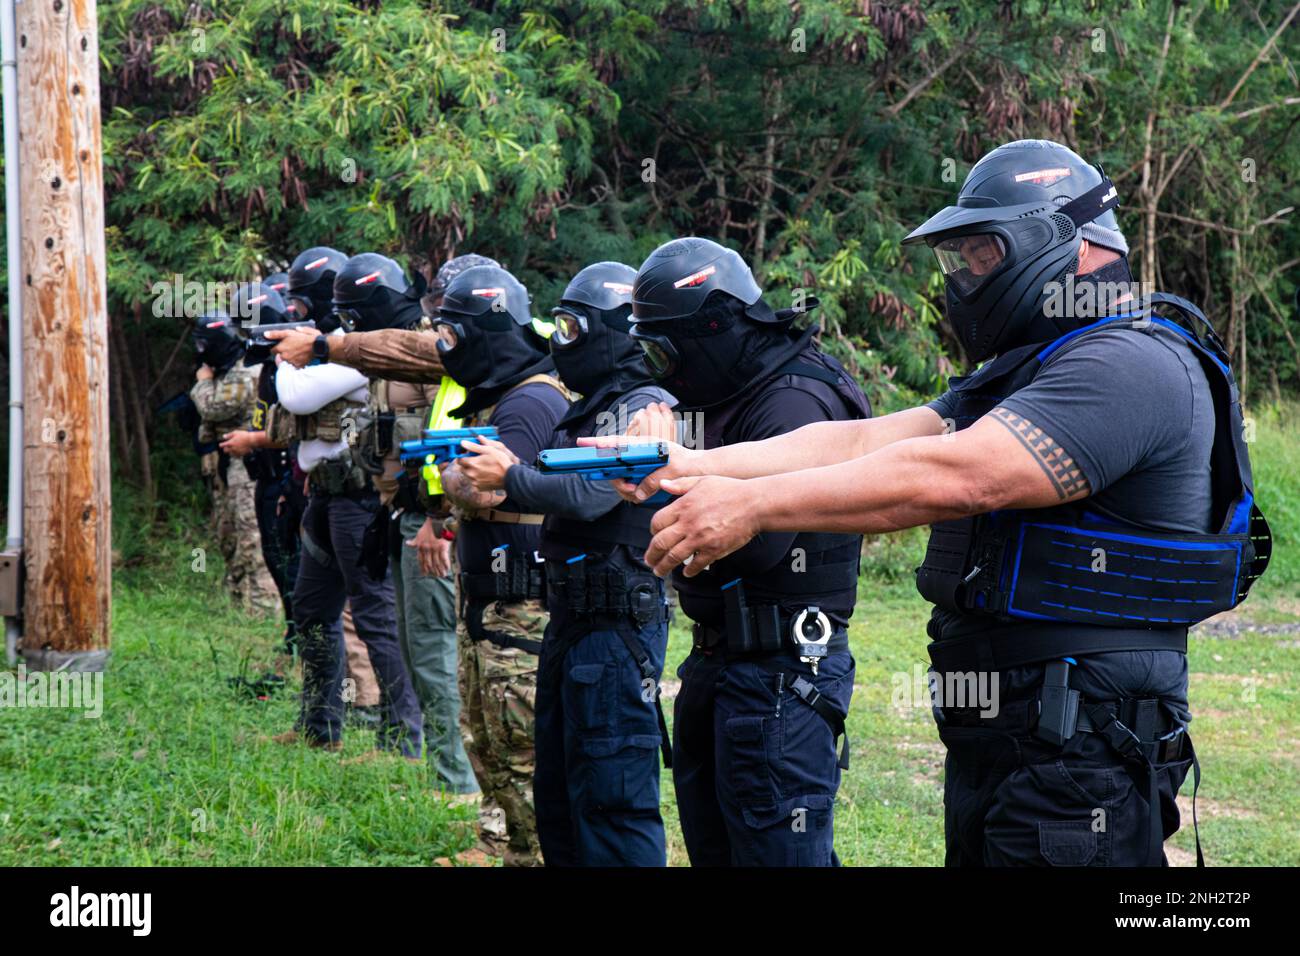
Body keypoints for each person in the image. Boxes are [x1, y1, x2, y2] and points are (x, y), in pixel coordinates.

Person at [616, 140, 1272, 867]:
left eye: (981, 254)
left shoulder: (1128, 361)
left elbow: (956, 474)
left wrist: (755, 506)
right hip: (1018, 732)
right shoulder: (1031, 368)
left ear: (1063, 240)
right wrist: (696, 464)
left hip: (1081, 743)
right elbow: (867, 440)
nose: (965, 279)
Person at [604, 237, 873, 866]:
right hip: (724, 658)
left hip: (781, 668)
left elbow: (761, 547)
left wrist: (659, 490)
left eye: (665, 351)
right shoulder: (733, 382)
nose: (660, 369)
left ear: (713, 328)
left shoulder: (793, 399)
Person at [456, 262, 676, 866]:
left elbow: (589, 493)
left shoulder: (646, 406)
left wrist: (510, 476)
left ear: (613, 330)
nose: (559, 340)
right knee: (559, 796)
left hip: (616, 630)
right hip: (572, 621)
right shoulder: (594, 403)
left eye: (572, 326)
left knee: (612, 803)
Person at [258, 256, 423, 757]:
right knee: (311, 610)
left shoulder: (369, 351)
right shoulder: (343, 345)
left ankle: (401, 738)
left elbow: (300, 397)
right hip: (325, 497)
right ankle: (319, 726)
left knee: (375, 616)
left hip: (360, 500)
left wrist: (290, 357)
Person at [433, 263, 570, 865]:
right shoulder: (501, 397)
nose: (444, 347)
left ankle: (539, 855)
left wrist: (446, 475)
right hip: (491, 602)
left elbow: (488, 490)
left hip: (522, 607)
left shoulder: (530, 401)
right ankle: (507, 847)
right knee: (485, 739)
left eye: (453, 334)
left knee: (522, 750)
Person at [331, 251, 480, 795]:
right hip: (404, 513)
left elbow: (461, 452)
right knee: (418, 647)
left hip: (436, 519)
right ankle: (447, 771)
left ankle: (458, 783)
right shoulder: (406, 349)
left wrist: (439, 521)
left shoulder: (446, 353)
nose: (442, 314)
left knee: (438, 650)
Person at [190, 296, 280, 617]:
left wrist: (202, 384)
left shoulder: (243, 372)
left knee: (251, 538)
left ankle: (263, 609)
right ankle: (239, 602)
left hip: (247, 465)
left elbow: (214, 407)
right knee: (228, 535)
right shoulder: (224, 371)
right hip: (226, 464)